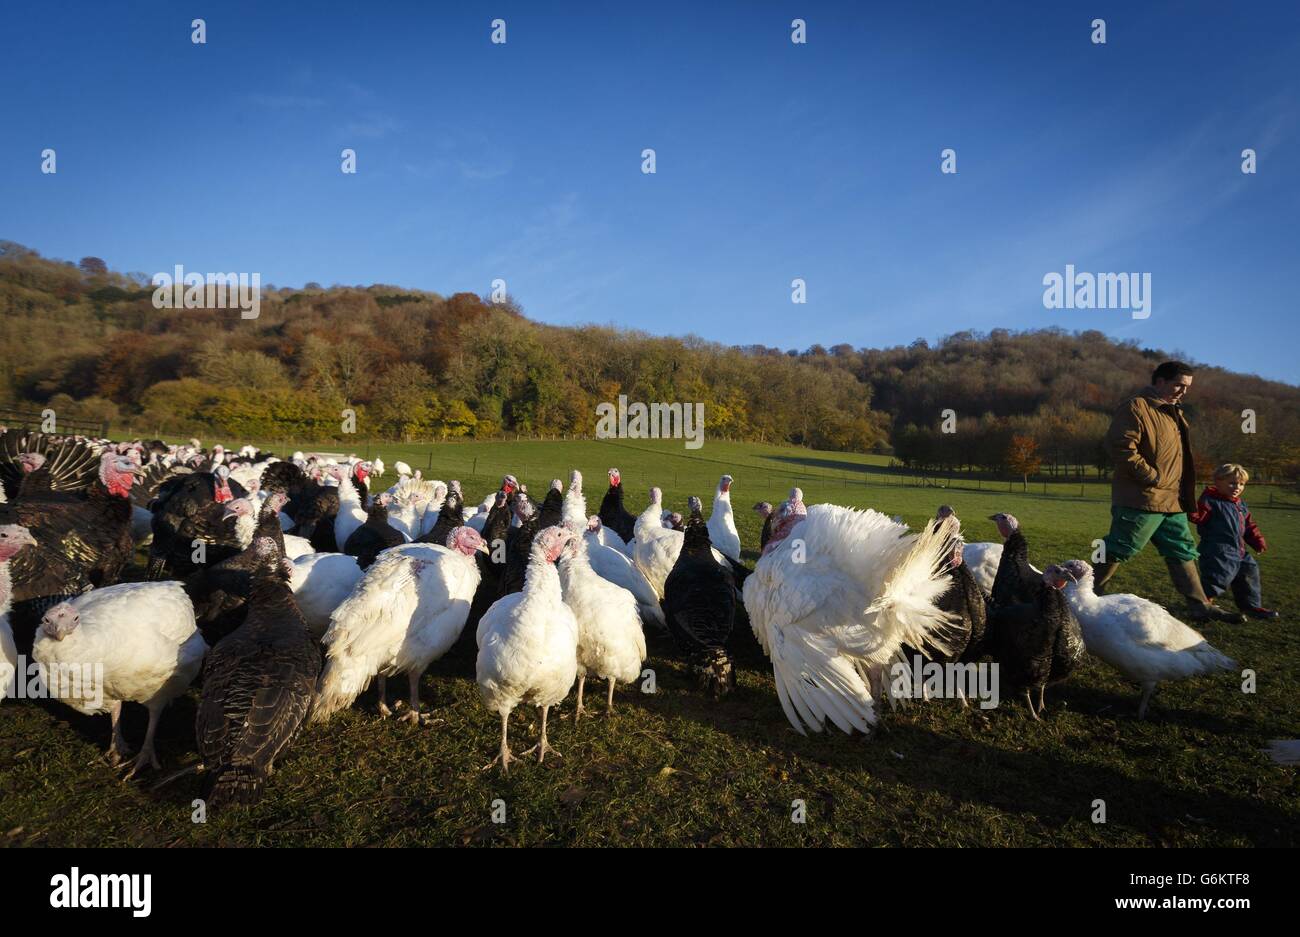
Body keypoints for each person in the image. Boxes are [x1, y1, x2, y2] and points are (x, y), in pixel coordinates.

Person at [1093, 361, 1243, 623]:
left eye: (1187, 387)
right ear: (1159, 381)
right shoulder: (1136, 406)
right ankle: (1082, 597)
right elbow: (1120, 447)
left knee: (1182, 550)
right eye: (1178, 385)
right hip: (1143, 498)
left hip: (1172, 501)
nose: (1183, 391)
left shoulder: (1175, 413)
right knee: (1120, 547)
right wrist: (1152, 477)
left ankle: (1200, 606)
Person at [1190, 464, 1278, 620]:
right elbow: (1196, 517)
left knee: (1249, 574)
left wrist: (1257, 541)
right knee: (1217, 577)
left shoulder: (1239, 504)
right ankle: (1202, 606)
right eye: (1232, 483)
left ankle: (1251, 606)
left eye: (1241, 484)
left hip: (1240, 550)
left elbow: (1249, 525)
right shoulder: (1210, 500)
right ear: (1218, 481)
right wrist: (1190, 504)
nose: (1237, 487)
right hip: (1217, 550)